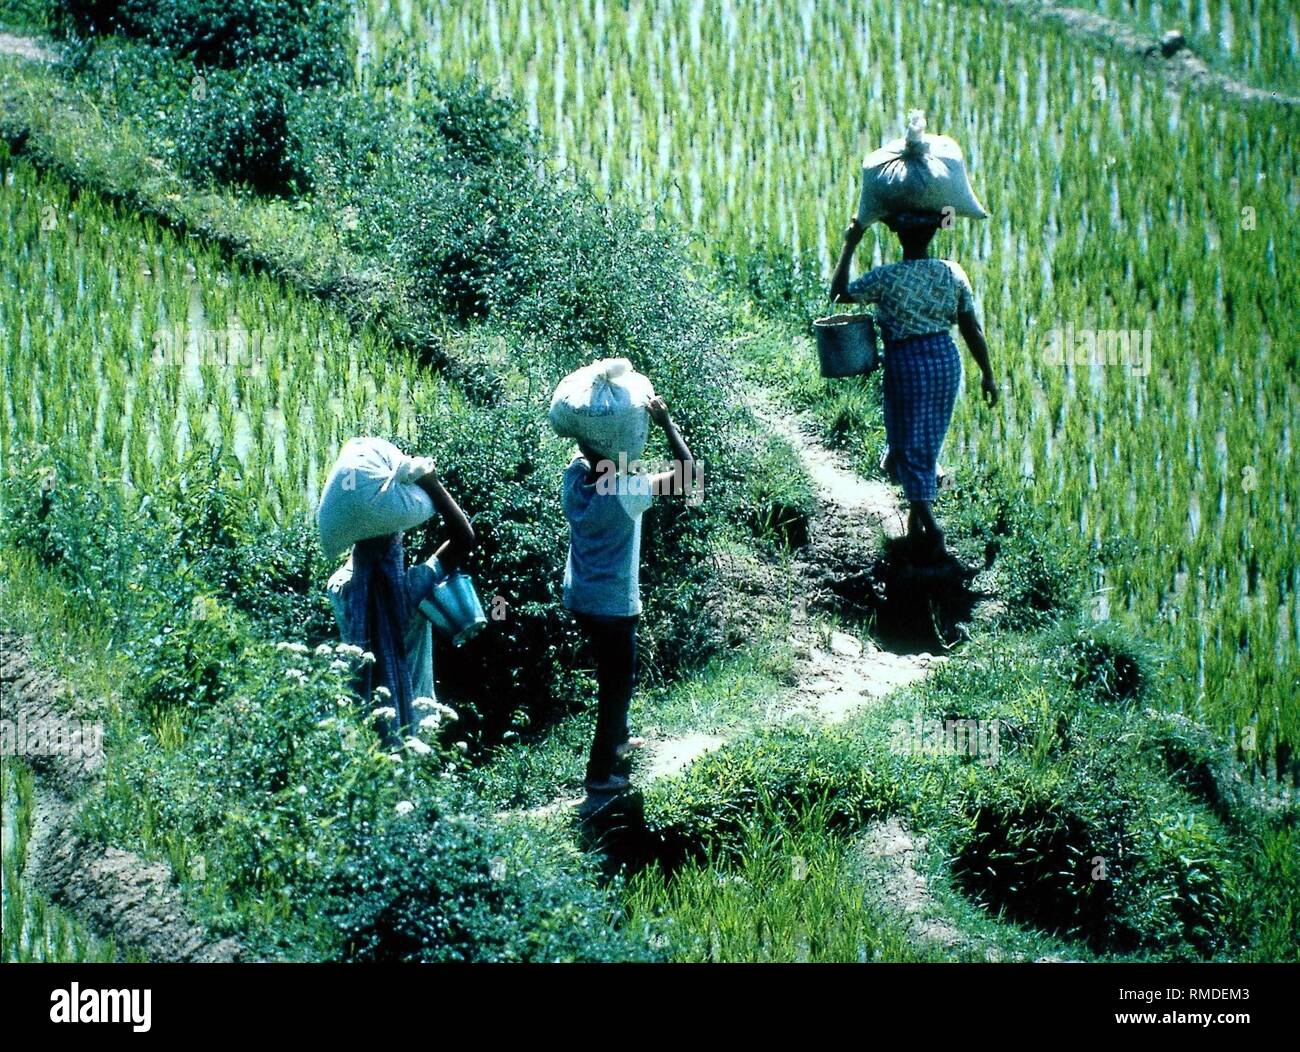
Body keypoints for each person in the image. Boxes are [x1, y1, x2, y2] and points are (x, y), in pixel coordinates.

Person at [829, 210, 999, 558]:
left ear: (898, 236)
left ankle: (932, 531)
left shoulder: (888, 278)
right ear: (933, 234)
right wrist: (988, 374)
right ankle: (915, 527)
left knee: (906, 448)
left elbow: (838, 295)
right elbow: (971, 328)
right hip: (945, 362)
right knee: (925, 444)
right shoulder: (952, 272)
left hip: (906, 363)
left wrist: (850, 243)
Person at [561, 395, 695, 795]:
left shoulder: (574, 480)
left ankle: (620, 742)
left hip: (580, 597)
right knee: (616, 687)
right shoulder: (627, 490)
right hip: (614, 606)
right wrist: (665, 422)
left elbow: (587, 450)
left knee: (612, 677)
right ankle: (601, 774)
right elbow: (689, 475)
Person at [320, 438, 476, 747]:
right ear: (397, 542)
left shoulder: (339, 589)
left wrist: (361, 517)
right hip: (416, 713)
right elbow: (464, 537)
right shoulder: (411, 590)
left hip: (363, 720)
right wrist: (431, 482)